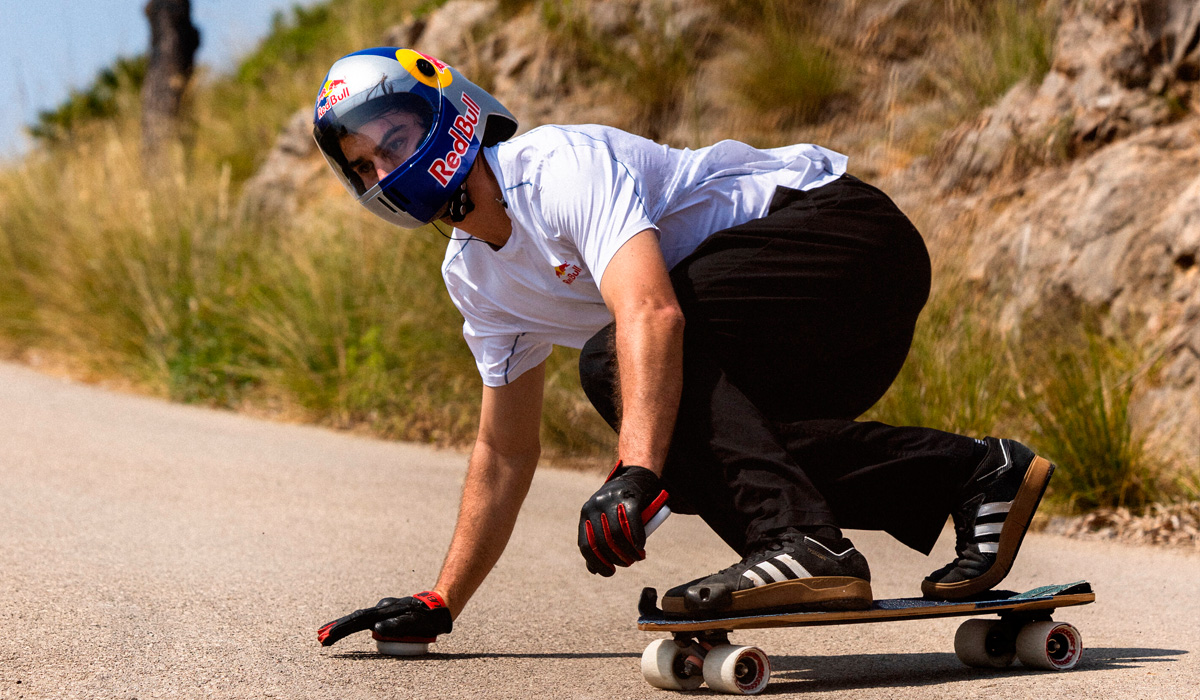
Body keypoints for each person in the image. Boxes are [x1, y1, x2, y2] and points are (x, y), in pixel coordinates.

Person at [313, 48, 1056, 651]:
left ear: (446, 112)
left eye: (397, 141)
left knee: (617, 368)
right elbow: (503, 450)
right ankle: (974, 474)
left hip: (849, 243)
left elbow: (651, 313)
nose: (386, 171)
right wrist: (444, 600)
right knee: (699, 455)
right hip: (808, 342)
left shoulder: (555, 167)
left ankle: (801, 543)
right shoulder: (475, 278)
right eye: (366, 165)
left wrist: (633, 471)